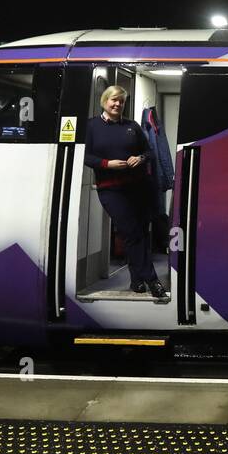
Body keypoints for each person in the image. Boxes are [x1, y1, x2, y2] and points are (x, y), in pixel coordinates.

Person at [84, 85, 166, 298]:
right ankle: (152, 280)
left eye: (121, 101)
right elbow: (85, 156)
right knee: (132, 231)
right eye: (114, 100)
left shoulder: (132, 126)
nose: (118, 104)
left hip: (138, 187)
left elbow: (149, 152)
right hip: (111, 190)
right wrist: (106, 164)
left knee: (136, 234)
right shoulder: (91, 126)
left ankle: (136, 280)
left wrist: (140, 158)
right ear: (105, 101)